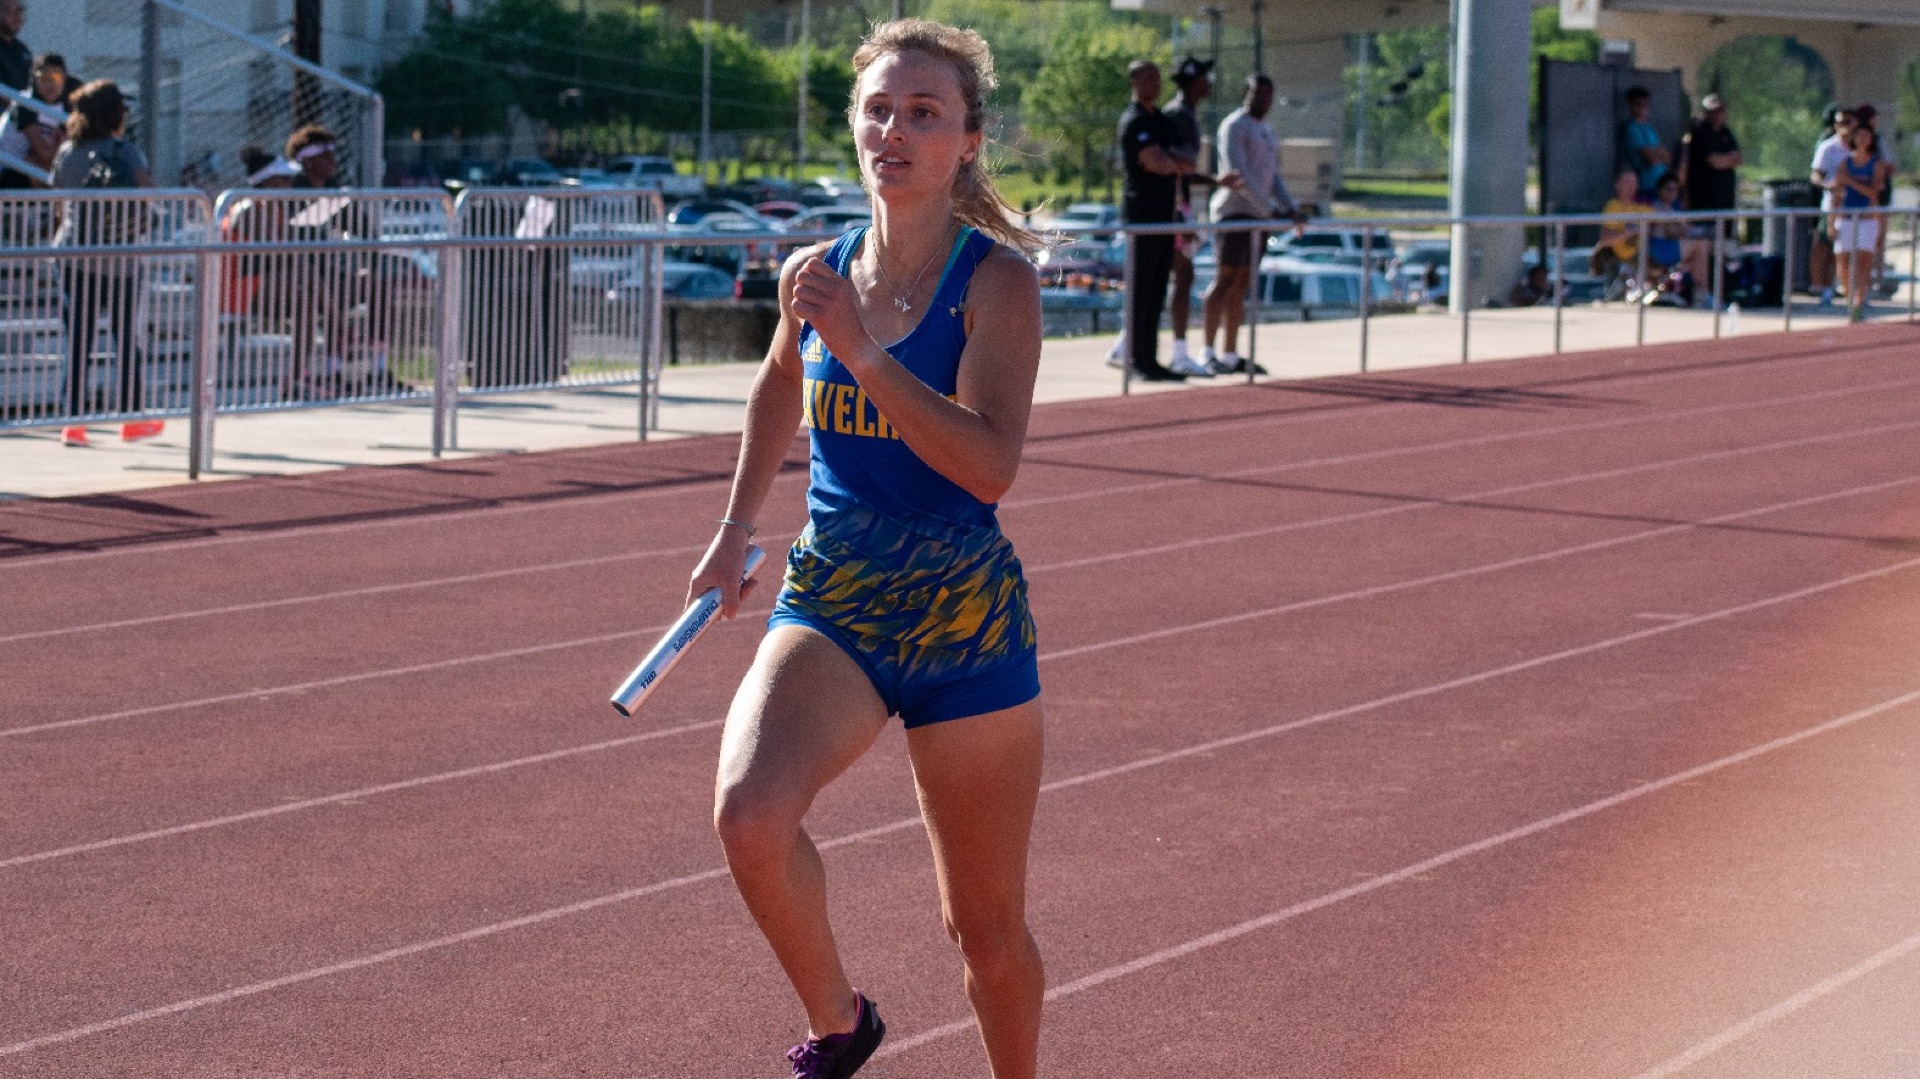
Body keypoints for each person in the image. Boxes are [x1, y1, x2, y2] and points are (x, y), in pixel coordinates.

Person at [688, 18, 1048, 1079]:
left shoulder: (998, 285)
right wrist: (734, 529)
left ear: (968, 142)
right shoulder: (818, 272)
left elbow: (987, 466)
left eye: (923, 113)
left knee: (985, 934)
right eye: (878, 110)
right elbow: (776, 389)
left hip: (963, 622)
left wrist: (862, 348)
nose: (894, 131)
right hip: (835, 598)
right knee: (750, 814)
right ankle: (841, 1021)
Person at [50, 79, 161, 447]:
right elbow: (147, 195)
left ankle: (73, 423)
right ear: (114, 115)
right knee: (126, 338)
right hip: (121, 260)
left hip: (74, 255)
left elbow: (59, 201)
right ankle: (130, 419)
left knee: (77, 341)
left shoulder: (68, 152)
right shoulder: (126, 152)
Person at [1203, 73, 1294, 376]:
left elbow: (1274, 176)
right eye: (1257, 93)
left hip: (1258, 219)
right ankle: (1207, 352)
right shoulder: (1233, 126)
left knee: (1242, 283)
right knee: (1225, 278)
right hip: (1234, 214)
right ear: (1246, 94)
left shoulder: (1267, 131)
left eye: (1268, 94)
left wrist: (1290, 207)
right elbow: (1237, 173)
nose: (1263, 100)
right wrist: (1268, 209)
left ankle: (1230, 354)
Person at [1115, 58, 1194, 381]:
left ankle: (1151, 359)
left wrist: (1169, 160)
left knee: (1158, 290)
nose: (1155, 83)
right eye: (1148, 77)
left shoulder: (1162, 121)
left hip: (1166, 218)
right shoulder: (1133, 121)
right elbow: (1154, 162)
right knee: (1140, 291)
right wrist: (1169, 161)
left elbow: (1187, 160)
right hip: (1142, 219)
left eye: (1157, 78)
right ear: (1134, 81)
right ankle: (1136, 360)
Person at [1160, 56, 1216, 377]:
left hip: (1180, 207)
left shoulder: (1188, 114)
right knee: (1181, 277)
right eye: (1205, 77)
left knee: (1174, 277)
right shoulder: (1177, 115)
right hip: (1174, 208)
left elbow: (1187, 171)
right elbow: (1173, 169)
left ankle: (1126, 344)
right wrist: (1179, 214)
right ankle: (1179, 353)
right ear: (1193, 82)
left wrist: (1217, 181)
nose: (1210, 83)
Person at [1830, 122, 1891, 322]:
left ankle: (1859, 302)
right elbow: (1837, 193)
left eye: (1867, 136)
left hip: (1867, 218)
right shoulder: (1844, 164)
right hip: (1846, 218)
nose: (1863, 140)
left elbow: (1873, 192)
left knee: (1864, 261)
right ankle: (1849, 300)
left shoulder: (1876, 164)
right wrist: (1831, 221)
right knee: (1843, 260)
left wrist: (1850, 181)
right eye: (1859, 135)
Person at [1808, 105, 1855, 306]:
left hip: (1855, 206)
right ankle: (1823, 288)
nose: (1843, 126)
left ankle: (1849, 289)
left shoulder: (1860, 146)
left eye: (1847, 122)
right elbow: (1816, 175)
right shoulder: (1828, 147)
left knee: (1848, 250)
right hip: (1832, 205)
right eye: (1839, 123)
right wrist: (1830, 185)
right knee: (1826, 245)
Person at [0, 52, 68, 189]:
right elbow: (44, 154)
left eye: (57, 77)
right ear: (34, 79)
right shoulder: (25, 104)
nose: (51, 84)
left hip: (32, 171)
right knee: (36, 161)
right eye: (44, 77)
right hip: (8, 172)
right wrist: (60, 144)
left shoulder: (63, 108)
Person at [1648, 172, 1712, 307]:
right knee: (1700, 246)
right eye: (1668, 189)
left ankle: (1700, 295)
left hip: (1673, 246)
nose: (1672, 193)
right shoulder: (1656, 209)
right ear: (1660, 190)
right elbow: (1674, 231)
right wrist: (1682, 229)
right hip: (1660, 250)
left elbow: (1682, 229)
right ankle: (1703, 293)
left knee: (1700, 252)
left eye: (1675, 190)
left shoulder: (1675, 209)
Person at [1590, 168, 1647, 293]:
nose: (1631, 186)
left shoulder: (1642, 207)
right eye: (1627, 182)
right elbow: (1606, 239)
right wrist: (1629, 232)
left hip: (1644, 255)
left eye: (1634, 182)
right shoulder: (1613, 207)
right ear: (1617, 184)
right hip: (1623, 258)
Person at [1621, 85, 1669, 199]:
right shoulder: (1632, 129)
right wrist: (1657, 154)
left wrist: (1656, 153)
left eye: (1645, 104)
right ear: (1630, 106)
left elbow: (1666, 157)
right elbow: (1650, 158)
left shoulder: (1649, 128)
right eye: (1638, 104)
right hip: (1646, 185)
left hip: (1661, 184)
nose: (1642, 108)